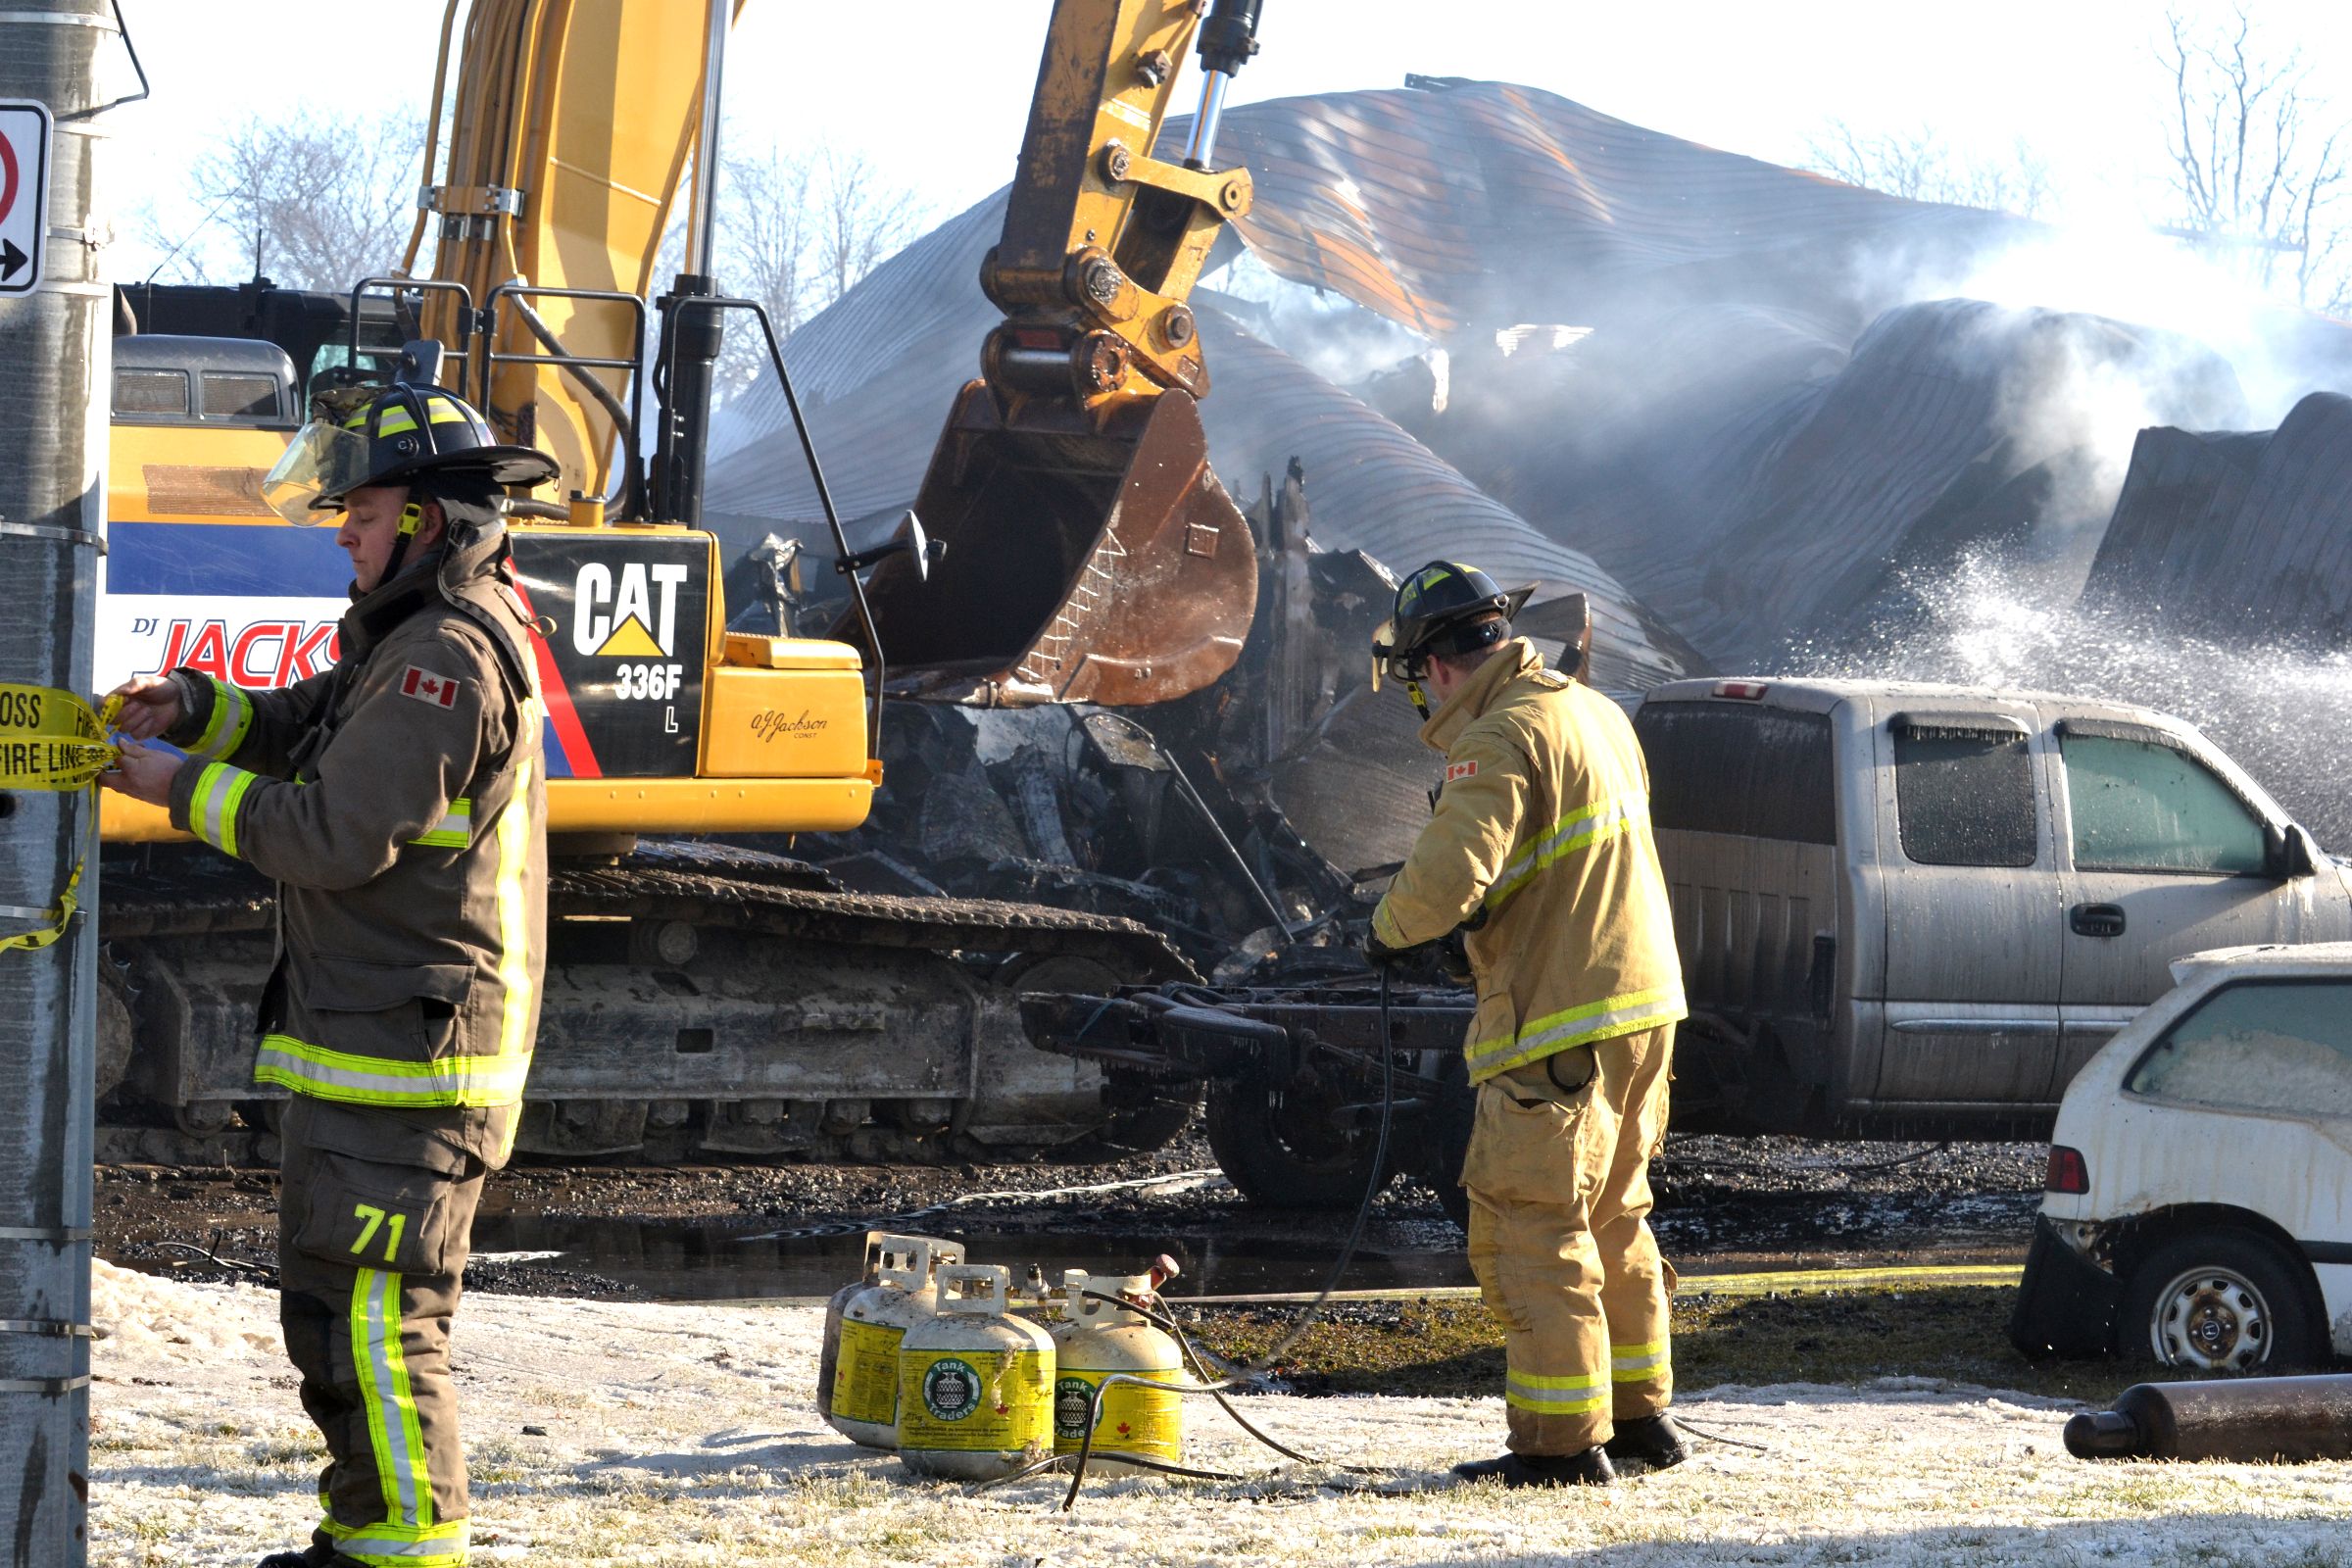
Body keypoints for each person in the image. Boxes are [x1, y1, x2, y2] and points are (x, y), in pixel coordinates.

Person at [102, 373, 556, 1568]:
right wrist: (194, 706)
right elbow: (307, 724)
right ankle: (364, 1537)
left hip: (413, 1068)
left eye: (357, 512)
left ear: (424, 519)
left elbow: (330, 833)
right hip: (379, 1054)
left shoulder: (445, 658)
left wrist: (172, 787)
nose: (343, 533)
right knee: (334, 1320)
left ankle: (407, 1554)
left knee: (379, 1326)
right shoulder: (406, 641)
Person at [1366, 562, 1689, 1489]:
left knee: (1532, 1223)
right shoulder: (1594, 713)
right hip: (1641, 1007)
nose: (1422, 693)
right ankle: (1640, 1418)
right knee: (1616, 1214)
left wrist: (1388, 934)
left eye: (1418, 674)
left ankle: (1557, 1447)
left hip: (1558, 1022)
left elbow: (1449, 872)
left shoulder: (1501, 736)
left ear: (1438, 663)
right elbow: (1555, 861)